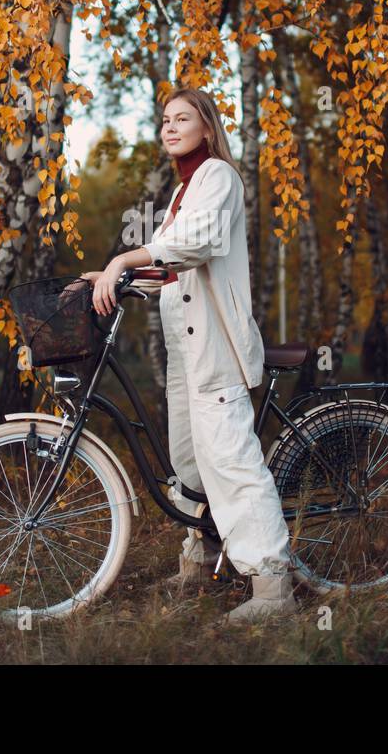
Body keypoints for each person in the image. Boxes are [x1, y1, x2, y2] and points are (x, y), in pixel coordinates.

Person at [82, 87, 298, 624]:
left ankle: (274, 589)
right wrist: (120, 275)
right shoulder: (185, 191)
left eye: (182, 118)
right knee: (189, 461)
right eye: (164, 121)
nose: (170, 128)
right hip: (186, 351)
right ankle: (202, 558)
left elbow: (196, 244)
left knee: (230, 461)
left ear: (206, 125)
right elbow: (172, 266)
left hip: (216, 349)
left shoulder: (219, 177)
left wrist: (123, 257)